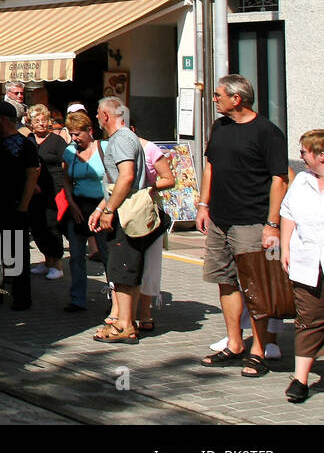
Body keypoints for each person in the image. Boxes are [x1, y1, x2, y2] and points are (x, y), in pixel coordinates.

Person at [198, 74, 289, 376]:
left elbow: (279, 179)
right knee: (225, 280)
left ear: (236, 99)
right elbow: (210, 165)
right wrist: (202, 204)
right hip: (219, 219)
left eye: (218, 95)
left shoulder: (268, 132)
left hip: (252, 221)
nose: (215, 99)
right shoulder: (219, 127)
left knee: (257, 286)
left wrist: (272, 224)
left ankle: (259, 350)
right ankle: (235, 342)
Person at [88, 96, 165, 343]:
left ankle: (124, 325)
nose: (97, 118)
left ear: (107, 116)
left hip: (126, 213)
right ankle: (125, 322)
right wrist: (102, 207)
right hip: (127, 209)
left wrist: (109, 210)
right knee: (127, 270)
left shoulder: (120, 140)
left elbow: (126, 177)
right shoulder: (128, 138)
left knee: (121, 269)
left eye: (98, 113)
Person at [281, 129, 324, 402]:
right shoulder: (302, 181)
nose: (300, 157)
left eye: (304, 152)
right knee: (308, 320)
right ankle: (300, 379)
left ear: (321, 155)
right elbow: (288, 213)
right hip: (308, 261)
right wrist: (285, 247)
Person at [62, 110, 109, 312]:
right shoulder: (70, 152)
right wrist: (71, 202)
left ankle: (115, 301)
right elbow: (65, 177)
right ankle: (77, 299)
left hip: (102, 206)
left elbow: (114, 180)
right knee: (76, 255)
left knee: (108, 256)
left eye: (77, 134)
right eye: (71, 134)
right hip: (79, 207)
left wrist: (104, 209)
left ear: (89, 131)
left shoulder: (104, 148)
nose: (74, 138)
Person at [0, 100, 40, 311]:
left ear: (2, 119)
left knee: (17, 253)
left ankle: (21, 297)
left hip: (15, 205)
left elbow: (32, 177)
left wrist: (23, 206)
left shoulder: (26, 144)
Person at [135, 133, 177, 332]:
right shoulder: (112, 146)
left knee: (150, 265)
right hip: (122, 212)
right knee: (125, 263)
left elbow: (169, 179)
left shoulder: (150, 148)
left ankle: (145, 312)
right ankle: (122, 311)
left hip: (149, 213)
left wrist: (147, 188)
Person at [26, 104, 67, 282]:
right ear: (31, 123)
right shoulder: (29, 140)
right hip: (33, 190)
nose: (41, 124)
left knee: (52, 226)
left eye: (44, 120)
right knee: (37, 226)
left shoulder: (57, 141)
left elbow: (66, 165)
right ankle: (46, 261)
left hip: (53, 190)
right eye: (37, 121)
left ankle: (57, 264)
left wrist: (64, 187)